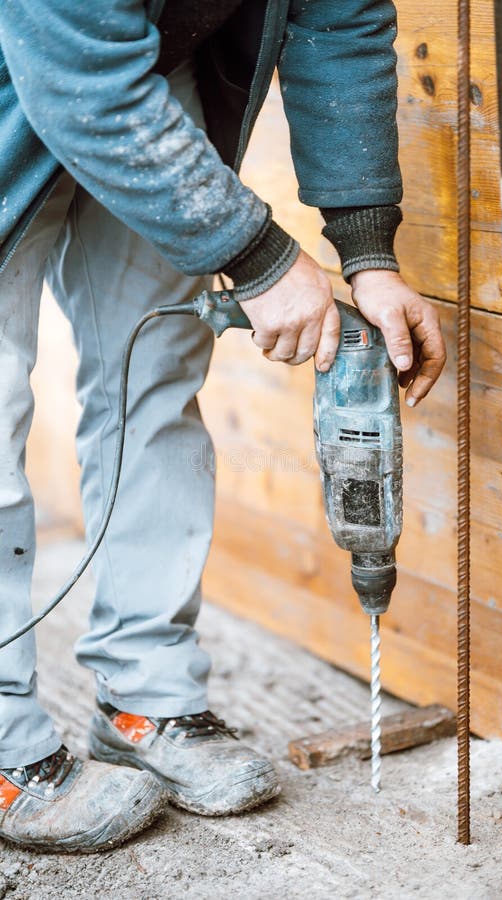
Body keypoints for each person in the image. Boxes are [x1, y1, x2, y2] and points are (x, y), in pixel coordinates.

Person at [0, 0, 447, 852]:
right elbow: (76, 64)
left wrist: (368, 252)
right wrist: (259, 256)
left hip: (144, 76)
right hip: (45, 58)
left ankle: (146, 700)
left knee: (155, 373)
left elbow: (340, 17)